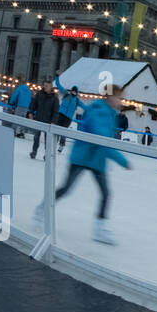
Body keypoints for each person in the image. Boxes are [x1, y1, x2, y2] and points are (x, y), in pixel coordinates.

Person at [37, 84, 131, 244]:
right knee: (66, 189)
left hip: (97, 159)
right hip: (82, 157)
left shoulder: (110, 114)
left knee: (106, 193)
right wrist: (122, 160)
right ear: (109, 97)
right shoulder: (97, 111)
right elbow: (101, 139)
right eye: (118, 97)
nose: (120, 101)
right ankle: (42, 210)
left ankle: (100, 228)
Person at [27, 80, 61, 159]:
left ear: (51, 87)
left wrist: (53, 122)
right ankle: (34, 151)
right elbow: (34, 104)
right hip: (38, 119)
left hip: (48, 122)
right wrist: (31, 112)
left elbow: (56, 111)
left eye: (47, 86)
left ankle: (47, 154)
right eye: (44, 85)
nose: (45, 87)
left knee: (47, 139)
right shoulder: (39, 94)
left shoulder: (55, 98)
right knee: (36, 137)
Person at [53, 82, 84, 150]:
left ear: (76, 92)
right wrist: (57, 76)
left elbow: (84, 106)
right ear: (71, 91)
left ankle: (61, 144)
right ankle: (54, 142)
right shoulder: (66, 94)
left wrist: (93, 109)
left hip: (68, 118)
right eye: (73, 91)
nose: (73, 93)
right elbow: (58, 85)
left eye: (75, 92)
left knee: (64, 131)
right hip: (61, 114)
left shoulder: (77, 101)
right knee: (57, 129)